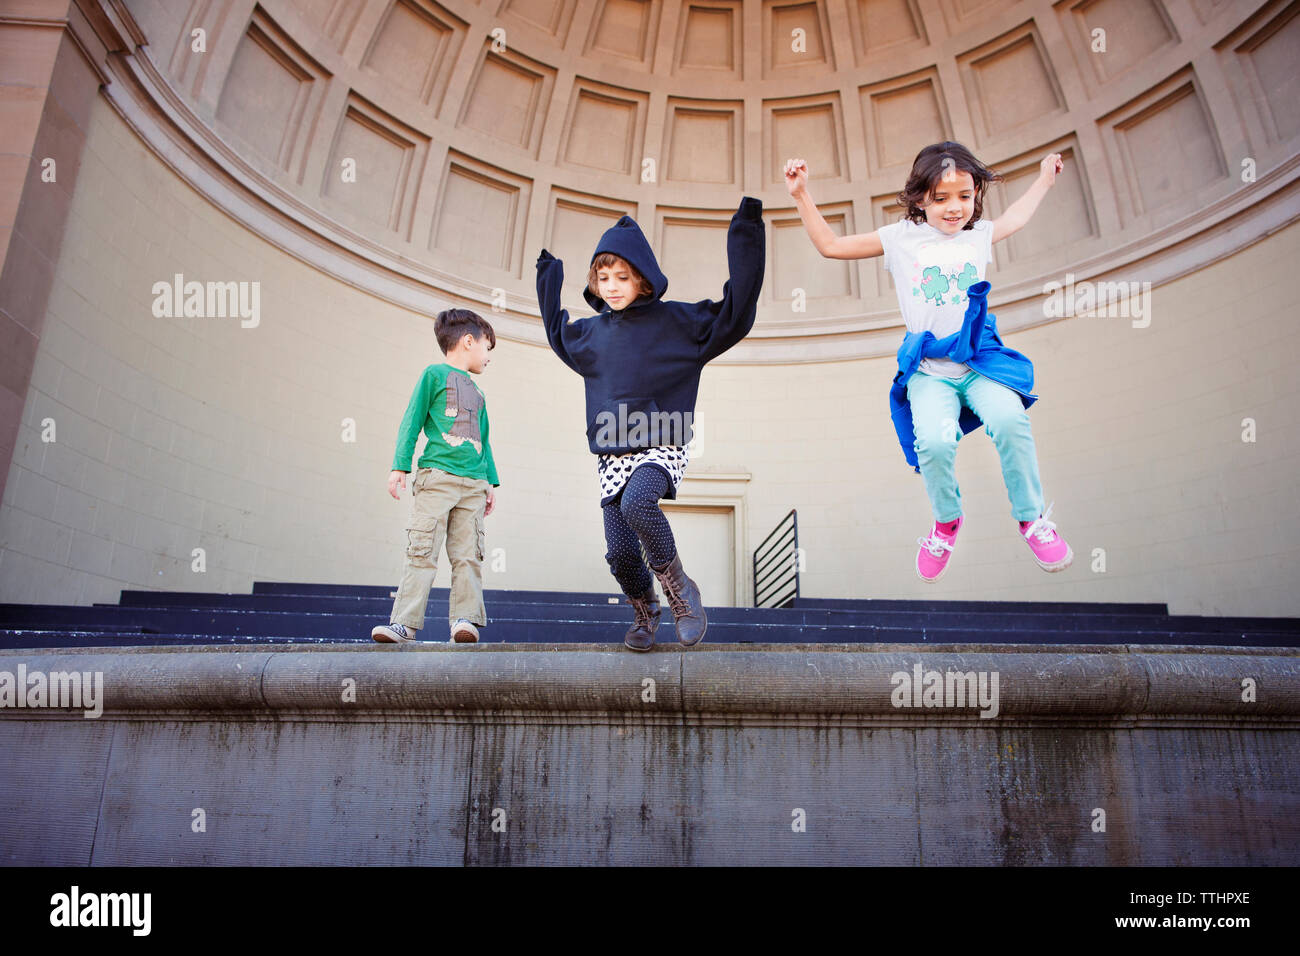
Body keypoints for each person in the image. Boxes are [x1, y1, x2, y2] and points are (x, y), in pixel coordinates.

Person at [785, 142, 1072, 582]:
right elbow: (831, 245)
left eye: (965, 196)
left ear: (976, 194)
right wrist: (802, 194)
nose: (955, 208)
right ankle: (946, 524)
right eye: (941, 198)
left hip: (979, 361)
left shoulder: (977, 235)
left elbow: (1017, 216)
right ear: (920, 198)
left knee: (1011, 421)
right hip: (929, 369)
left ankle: (1031, 518)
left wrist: (1045, 180)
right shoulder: (900, 238)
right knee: (935, 444)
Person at [536, 198, 765, 649]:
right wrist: (548, 279)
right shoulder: (592, 334)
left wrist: (746, 231)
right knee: (620, 554)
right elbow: (558, 335)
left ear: (642, 278)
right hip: (612, 453)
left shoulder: (679, 322)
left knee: (639, 505)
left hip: (661, 443)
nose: (612, 286)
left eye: (622, 277)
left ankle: (681, 589)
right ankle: (645, 609)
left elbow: (734, 314)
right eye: (603, 278)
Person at [371, 309, 500, 643]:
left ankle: (464, 620)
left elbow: (484, 441)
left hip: (472, 485)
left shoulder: (481, 394)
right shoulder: (433, 375)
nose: (488, 358)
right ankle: (404, 623)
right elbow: (411, 421)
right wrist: (400, 465)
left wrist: (490, 483)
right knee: (422, 550)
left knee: (468, 555)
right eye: (487, 348)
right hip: (437, 478)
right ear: (469, 341)